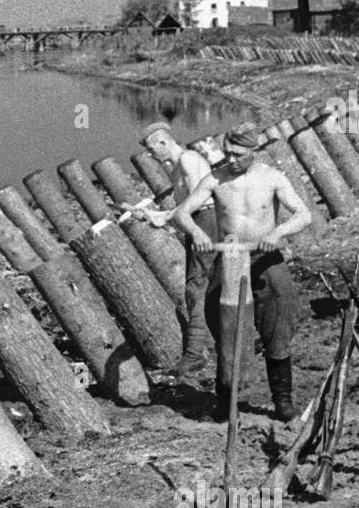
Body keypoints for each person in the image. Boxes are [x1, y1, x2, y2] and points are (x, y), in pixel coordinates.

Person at [173, 124, 313, 423]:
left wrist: (278, 233)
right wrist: (197, 232)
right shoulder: (216, 179)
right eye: (227, 153)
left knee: (278, 325)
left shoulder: (272, 178)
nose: (232, 159)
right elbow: (183, 212)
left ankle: (282, 401)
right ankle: (226, 403)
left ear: (254, 150)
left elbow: (304, 214)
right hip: (231, 259)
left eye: (238, 154)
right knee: (224, 328)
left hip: (266, 258)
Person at [125, 121, 218, 376]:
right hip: (200, 222)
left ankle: (195, 354)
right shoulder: (178, 166)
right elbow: (187, 207)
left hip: (206, 221)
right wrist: (158, 216)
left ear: (164, 142)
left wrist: (163, 216)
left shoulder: (188, 160)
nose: (152, 157)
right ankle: (209, 347)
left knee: (196, 288)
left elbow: (199, 202)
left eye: (153, 150)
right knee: (203, 287)